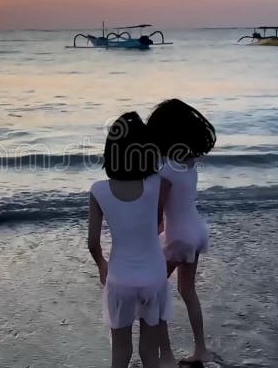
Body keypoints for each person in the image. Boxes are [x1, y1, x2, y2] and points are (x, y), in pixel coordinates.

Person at [88, 111, 173, 368]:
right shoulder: (158, 183)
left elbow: (92, 243)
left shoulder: (99, 190)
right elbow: (158, 221)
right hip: (154, 277)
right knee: (150, 352)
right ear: (147, 151)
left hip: (120, 278)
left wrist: (102, 265)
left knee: (121, 352)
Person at [147, 99, 216, 365]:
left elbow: (158, 215)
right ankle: (201, 350)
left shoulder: (165, 171)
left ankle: (167, 356)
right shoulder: (189, 162)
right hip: (196, 231)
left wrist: (145, 240)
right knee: (188, 291)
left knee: (154, 292)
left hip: (178, 238)